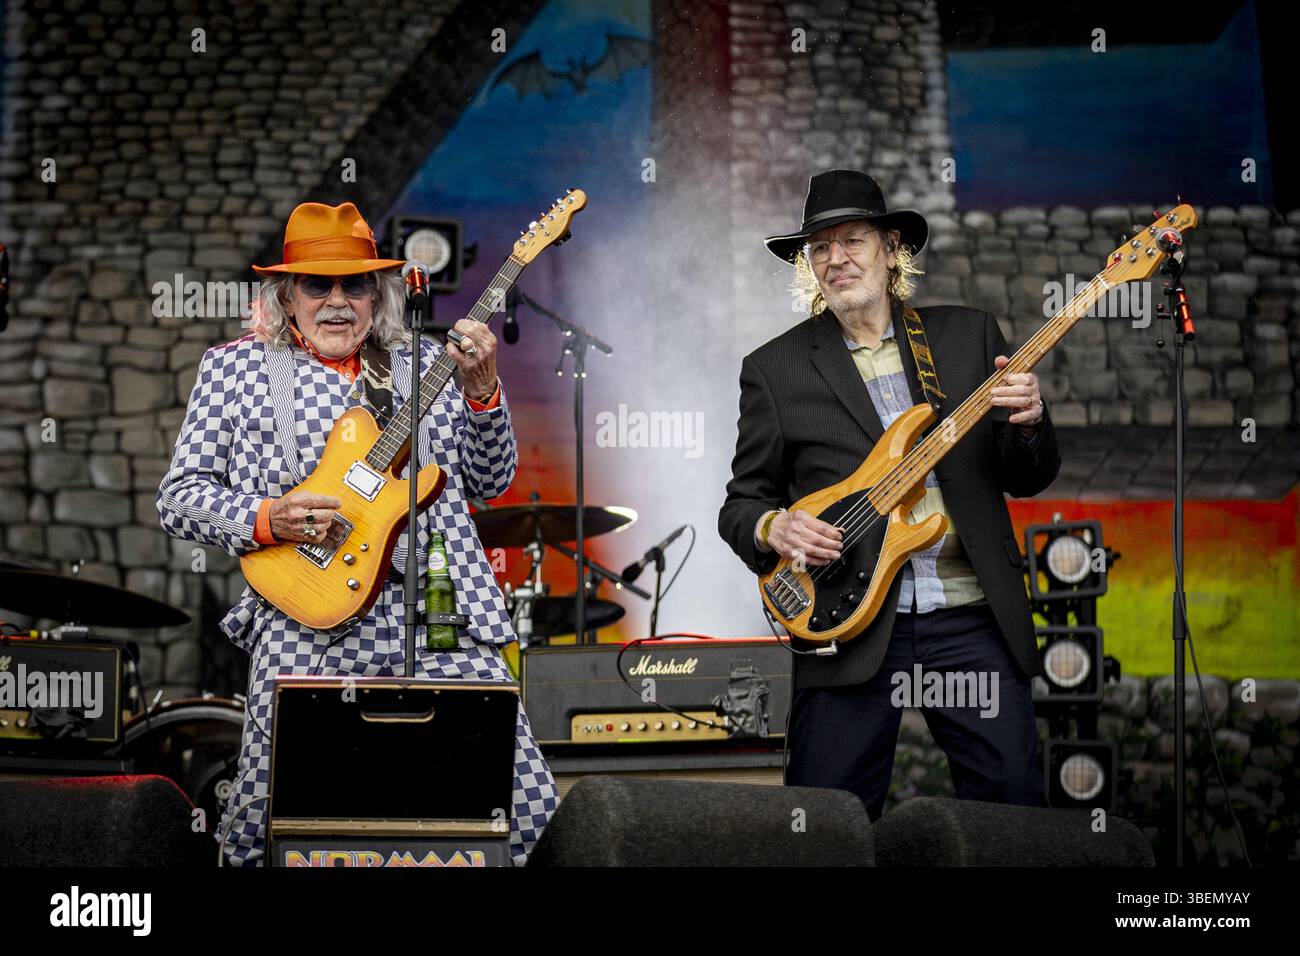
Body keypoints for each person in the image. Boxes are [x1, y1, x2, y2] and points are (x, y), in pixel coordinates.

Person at [158, 201, 557, 864]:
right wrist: (267, 517)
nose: (338, 301)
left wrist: (485, 391)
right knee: (273, 819)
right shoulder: (233, 370)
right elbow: (180, 498)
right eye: (319, 285)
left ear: (380, 293)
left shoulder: (424, 364)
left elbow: (490, 480)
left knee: (521, 810)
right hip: (307, 615)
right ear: (287, 295)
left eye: (356, 284)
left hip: (436, 615)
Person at [719, 169, 1061, 820]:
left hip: (969, 617)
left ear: (891, 250)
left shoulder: (967, 336)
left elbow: (1028, 476)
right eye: (820, 248)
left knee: (1015, 821)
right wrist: (774, 529)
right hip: (848, 626)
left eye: (853, 240)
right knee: (825, 826)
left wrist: (1031, 421)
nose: (836, 259)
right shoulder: (774, 369)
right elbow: (741, 504)